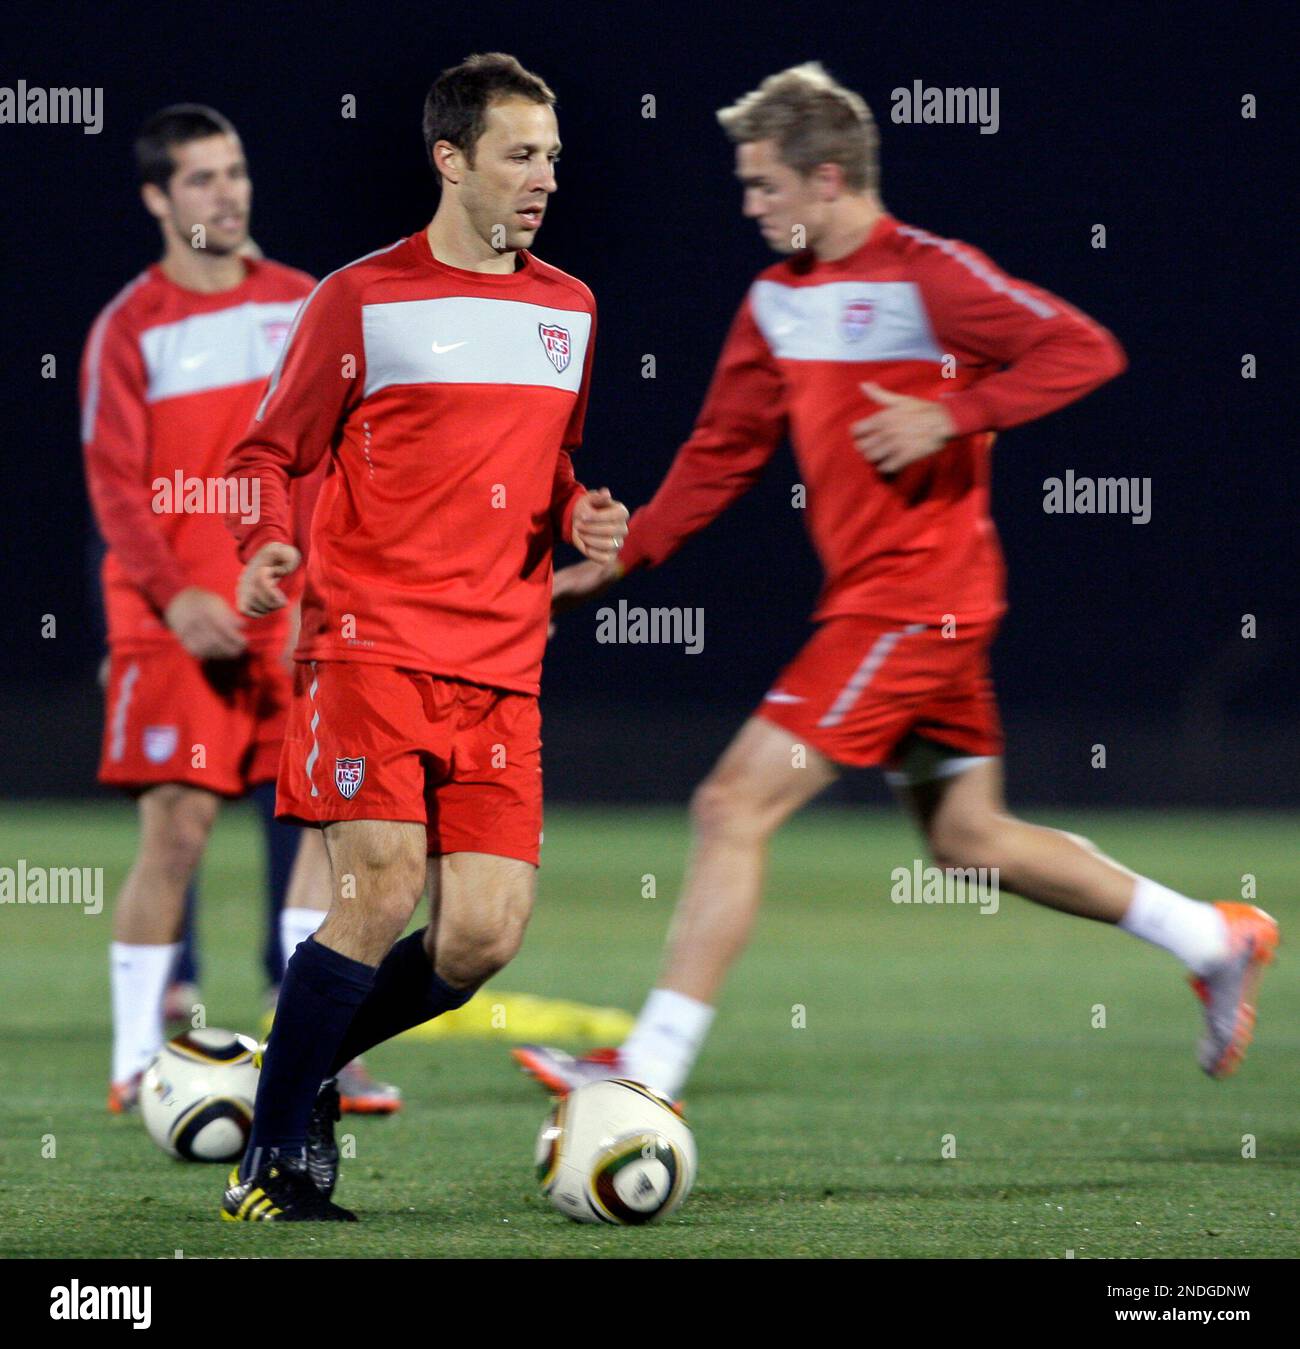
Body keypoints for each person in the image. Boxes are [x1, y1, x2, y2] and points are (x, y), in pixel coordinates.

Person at [514, 62, 1278, 1106]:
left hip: (918, 598)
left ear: (826, 179)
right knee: (967, 838)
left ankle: (647, 1069)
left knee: (730, 802)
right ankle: (1210, 933)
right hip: (890, 601)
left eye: (763, 186)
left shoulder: (929, 273)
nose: (748, 206)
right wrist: (622, 555)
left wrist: (953, 414)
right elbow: (723, 451)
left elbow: (1083, 349)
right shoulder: (775, 301)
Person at [219, 52, 628, 1222]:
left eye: (551, 154)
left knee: (482, 939)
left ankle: (294, 1071)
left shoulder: (570, 307)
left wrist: (578, 512)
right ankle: (278, 1147)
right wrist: (262, 542)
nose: (544, 176)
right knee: (381, 888)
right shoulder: (360, 299)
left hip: (501, 666)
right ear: (449, 160)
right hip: (369, 645)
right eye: (519, 153)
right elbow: (267, 451)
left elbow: (544, 471)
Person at [81, 104, 397, 1116]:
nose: (228, 193)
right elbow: (116, 484)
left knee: (326, 824)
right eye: (203, 179)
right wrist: (175, 597)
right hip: (177, 621)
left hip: (296, 614)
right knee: (174, 834)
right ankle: (136, 1058)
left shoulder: (303, 303)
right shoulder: (130, 328)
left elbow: (348, 449)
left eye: (236, 172)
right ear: (157, 199)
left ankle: (307, 1050)